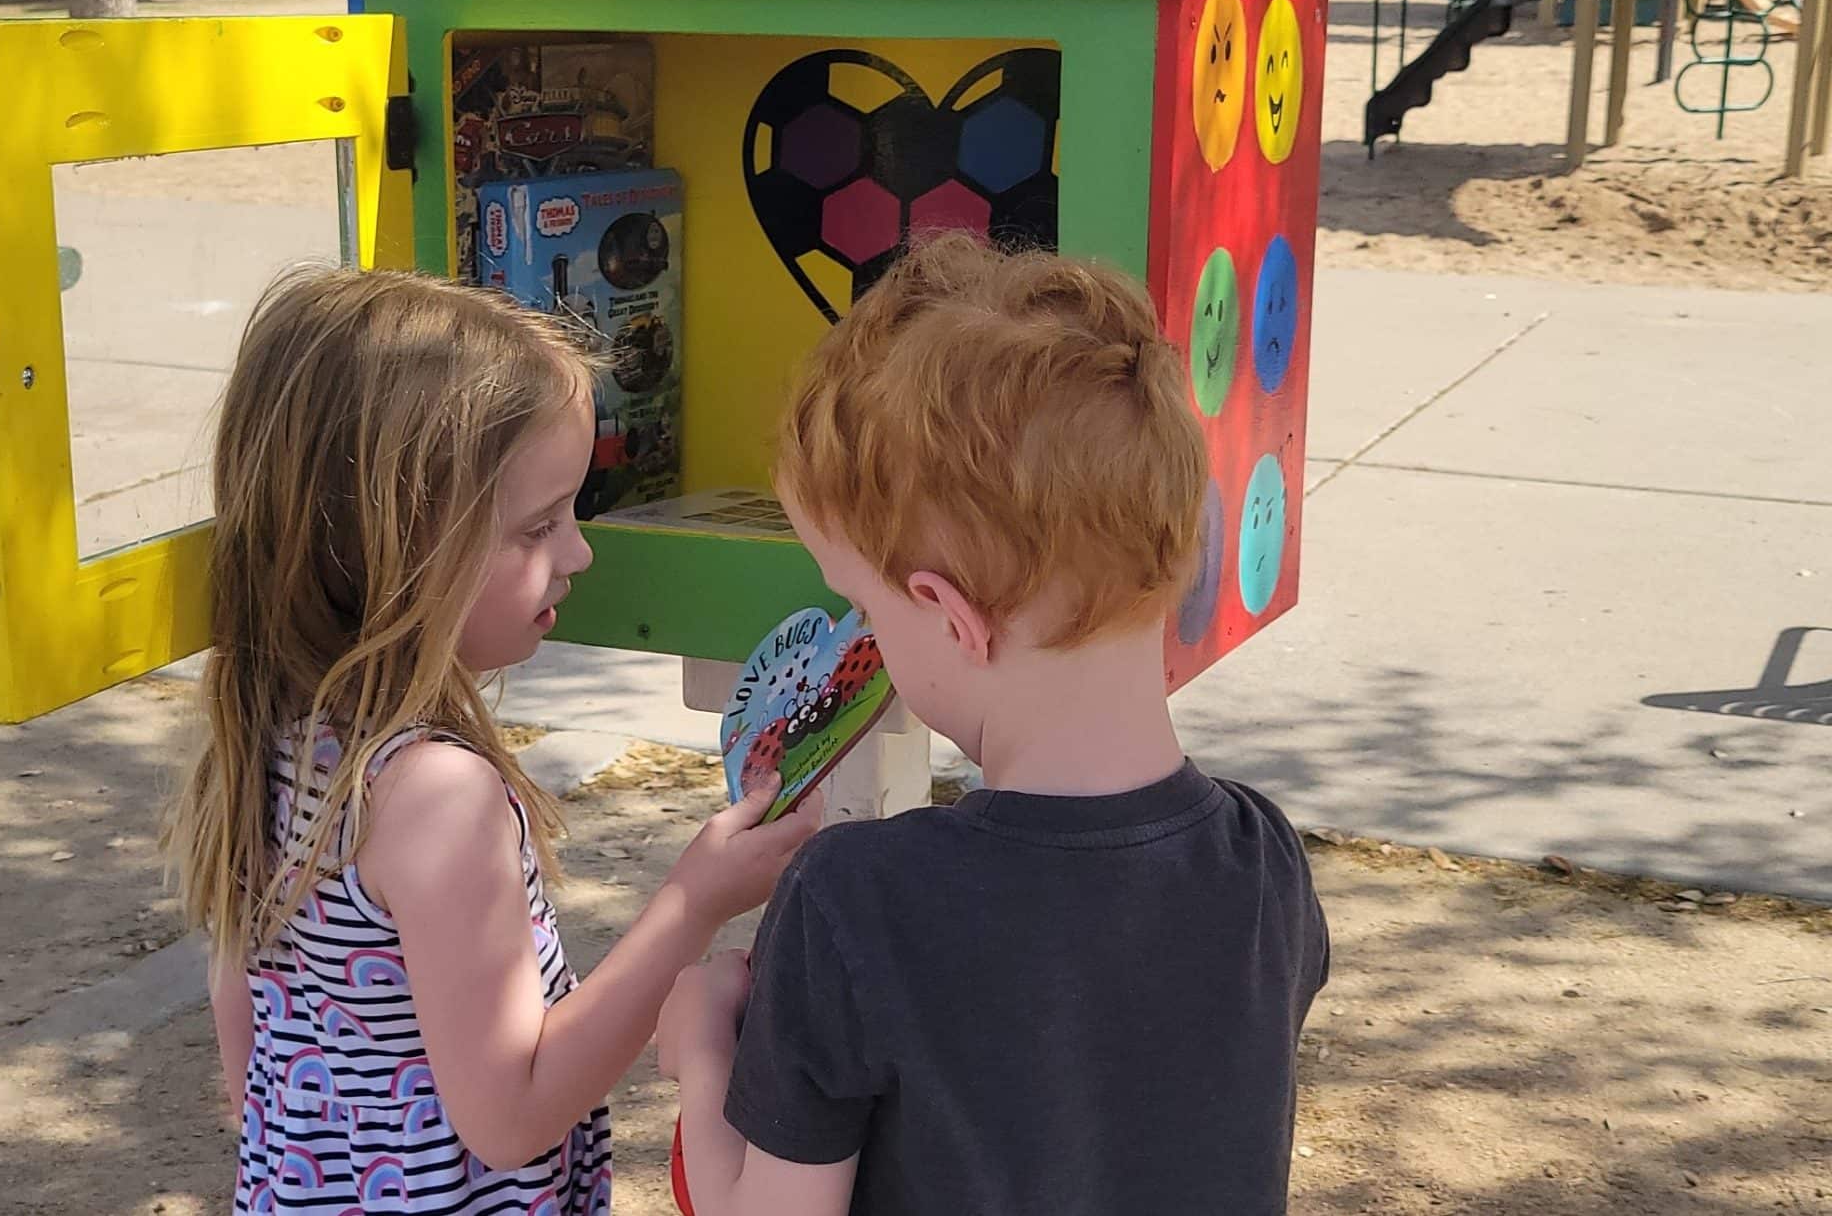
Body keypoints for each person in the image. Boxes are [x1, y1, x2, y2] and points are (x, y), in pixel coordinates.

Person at [658, 235, 1329, 1216]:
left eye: (866, 609)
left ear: (948, 614)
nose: (866, 642)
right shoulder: (1262, 863)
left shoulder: (856, 902)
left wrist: (701, 1052)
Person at [168, 267, 818, 1215]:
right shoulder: (435, 795)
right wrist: (694, 900)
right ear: (401, 545)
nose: (580, 554)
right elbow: (512, 1114)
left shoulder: (272, 729)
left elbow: (247, 1052)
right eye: (539, 526)